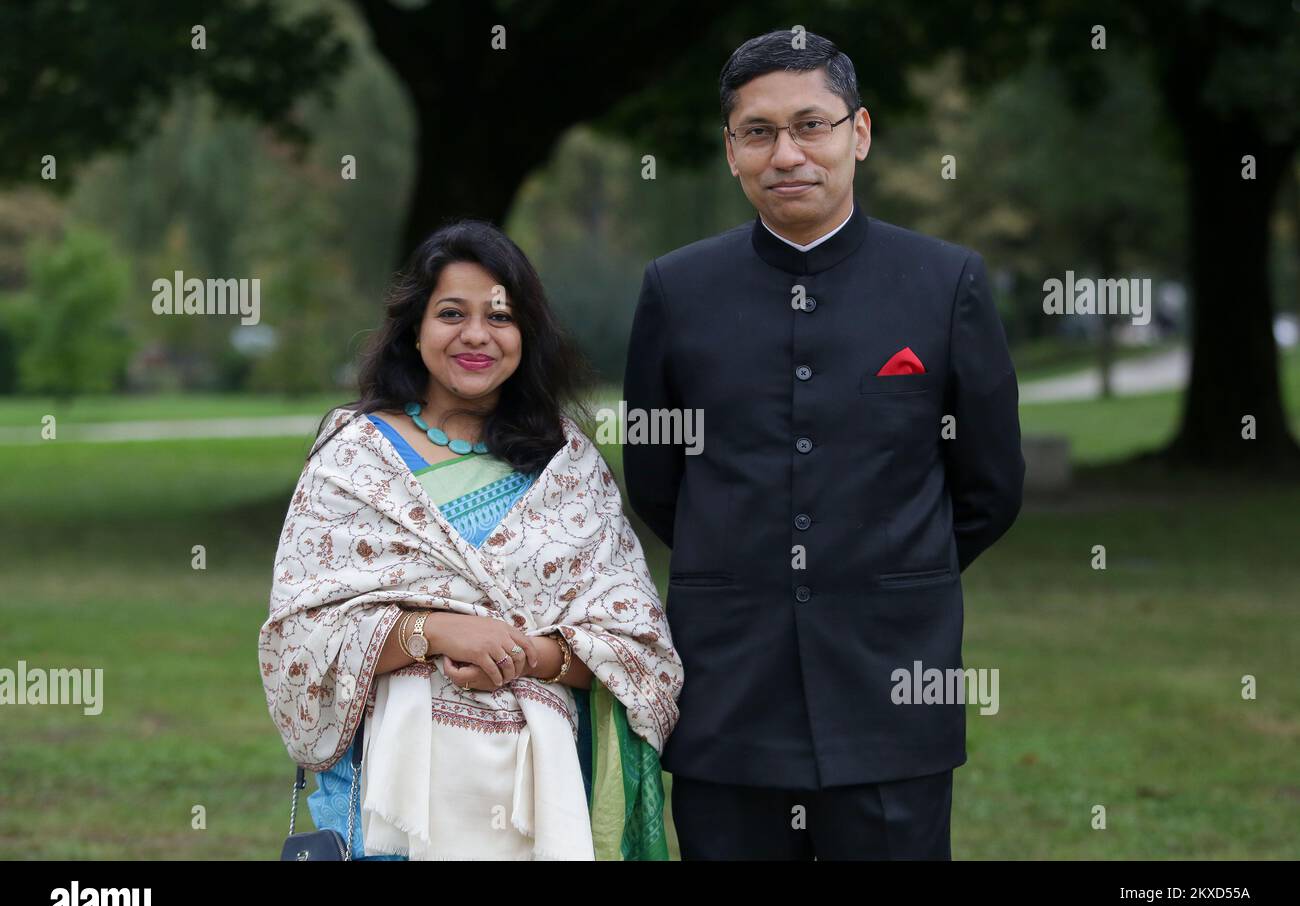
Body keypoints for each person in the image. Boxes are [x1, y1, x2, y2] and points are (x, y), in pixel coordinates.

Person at [622, 30, 1024, 860]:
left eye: (812, 125)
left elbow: (989, 485)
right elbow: (657, 482)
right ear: (731, 150)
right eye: (759, 131)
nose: (788, 153)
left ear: (860, 133)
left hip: (894, 686)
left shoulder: (946, 283)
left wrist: (887, 570)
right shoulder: (677, 289)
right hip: (729, 690)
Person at [260, 220, 683, 860]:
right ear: (416, 330)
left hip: (543, 799)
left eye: (501, 316)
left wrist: (532, 656)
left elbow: (638, 645)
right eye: (451, 313)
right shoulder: (356, 459)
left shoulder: (567, 466)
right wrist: (430, 632)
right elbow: (298, 639)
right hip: (386, 796)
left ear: (526, 334)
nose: (476, 335)